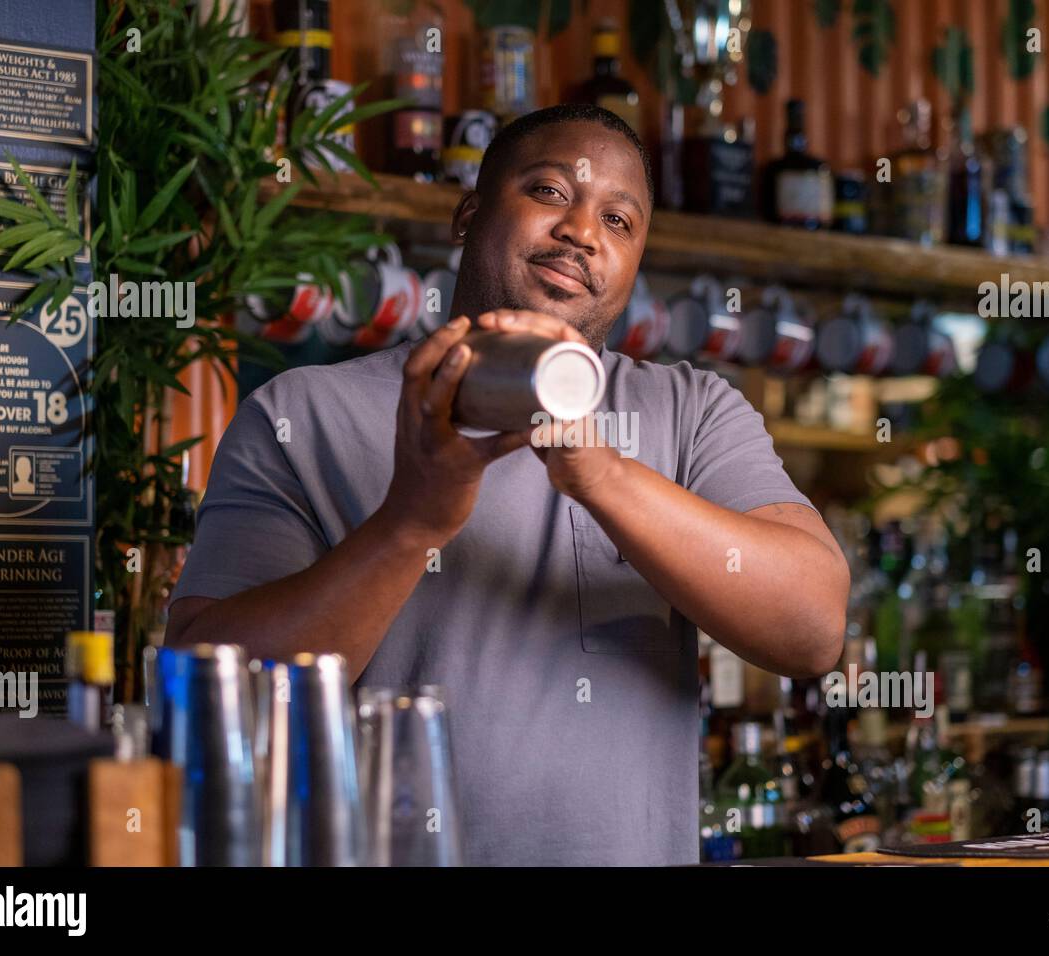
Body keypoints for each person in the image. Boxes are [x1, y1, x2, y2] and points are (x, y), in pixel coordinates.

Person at [167, 104, 849, 865]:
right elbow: (214, 691)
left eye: (619, 221)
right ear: (469, 213)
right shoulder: (303, 413)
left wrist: (603, 476)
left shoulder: (691, 412)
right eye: (551, 193)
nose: (583, 233)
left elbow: (814, 628)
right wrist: (410, 525)